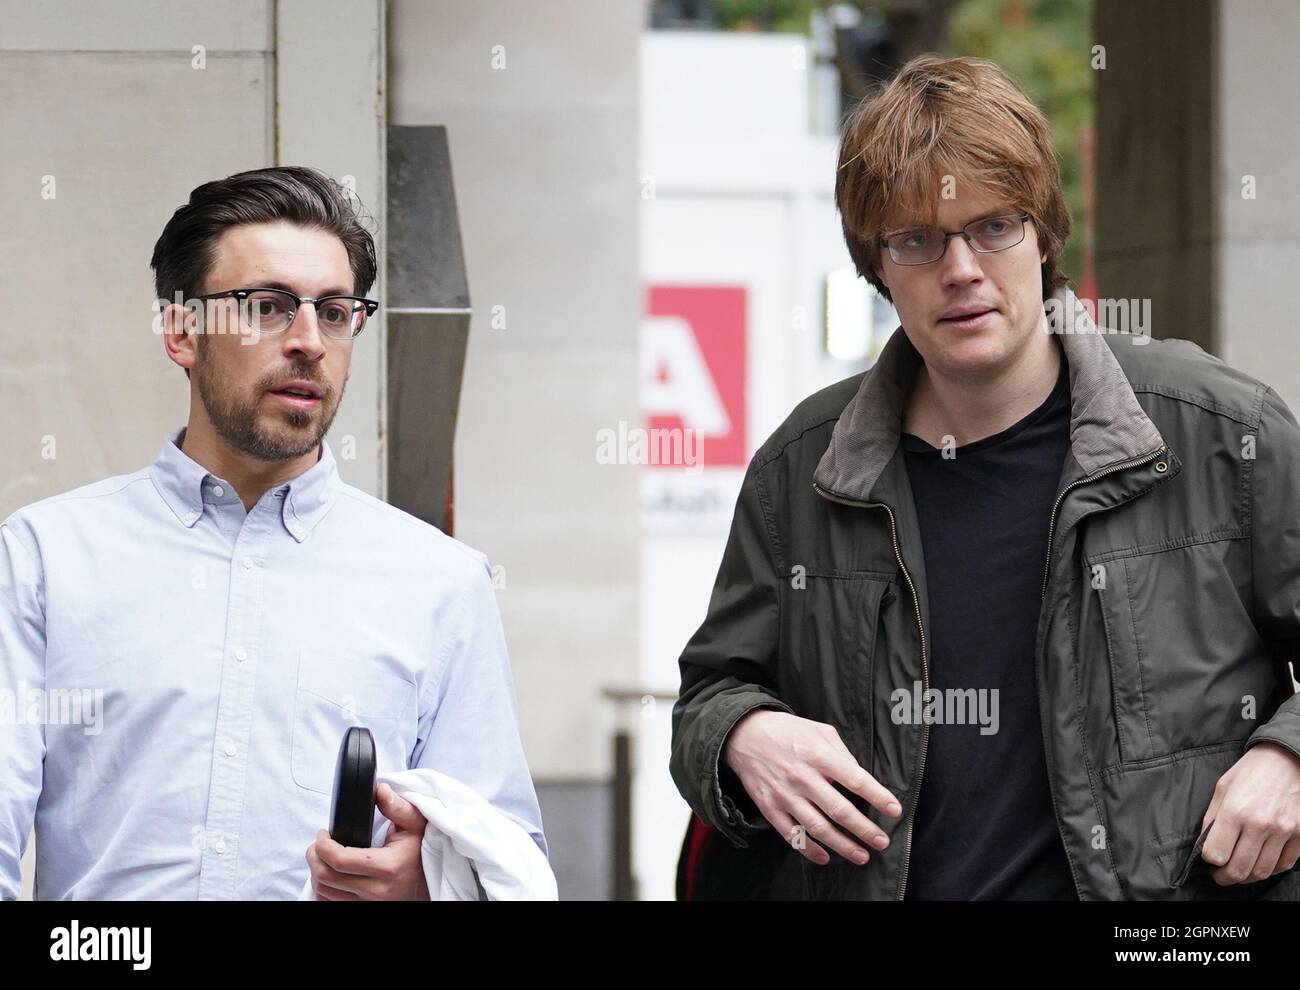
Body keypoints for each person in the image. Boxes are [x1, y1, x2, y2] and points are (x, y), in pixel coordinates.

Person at [670, 54, 1300, 900]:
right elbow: (710, 692)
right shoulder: (803, 470)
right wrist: (745, 733)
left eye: (993, 226)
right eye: (918, 239)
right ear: (877, 265)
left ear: (1041, 234)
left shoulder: (1222, 434)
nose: (961, 269)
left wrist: (1288, 757)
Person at [0, 165, 546, 900]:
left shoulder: (441, 583)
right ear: (181, 331)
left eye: (335, 310)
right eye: (267, 306)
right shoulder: (46, 558)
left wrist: (432, 882)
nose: (308, 340)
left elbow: (507, 857)